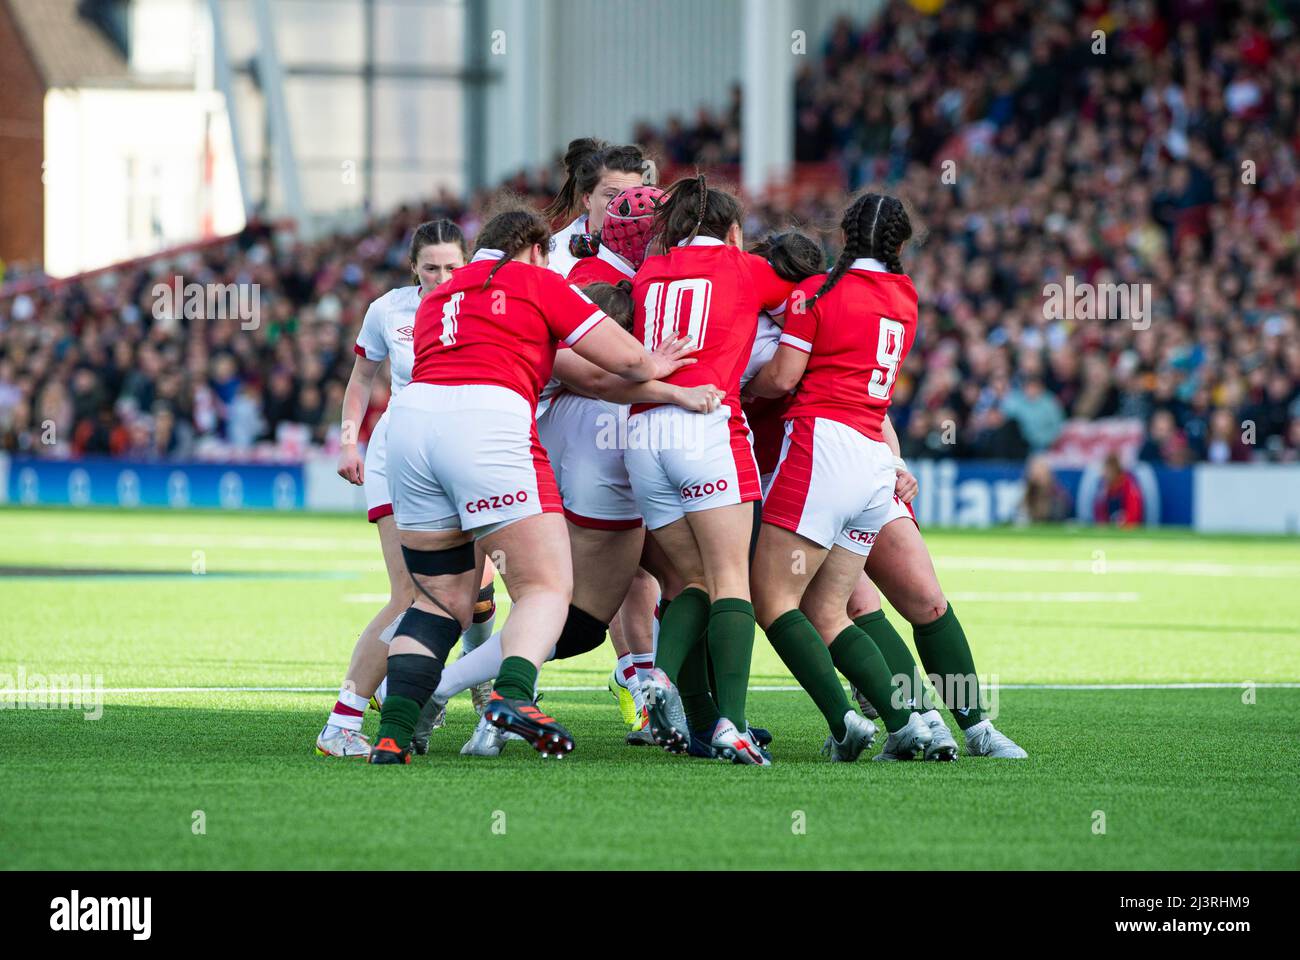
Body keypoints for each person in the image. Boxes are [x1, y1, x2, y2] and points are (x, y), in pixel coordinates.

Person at [367, 207, 690, 764]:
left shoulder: (437, 295)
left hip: (410, 425)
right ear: (538, 249)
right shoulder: (537, 280)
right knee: (545, 588)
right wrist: (658, 362)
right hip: (486, 420)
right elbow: (627, 361)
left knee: (438, 599)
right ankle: (514, 696)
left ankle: (393, 736)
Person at [747, 192, 1026, 763]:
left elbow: (796, 383)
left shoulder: (816, 296)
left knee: (906, 599)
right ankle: (925, 721)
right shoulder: (899, 296)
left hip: (827, 459)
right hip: (844, 466)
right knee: (852, 606)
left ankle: (950, 723)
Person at [414, 280, 723, 757]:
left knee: (542, 607)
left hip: (538, 479)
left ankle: (480, 713)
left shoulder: (542, 354)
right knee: (578, 622)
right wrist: (670, 386)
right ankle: (661, 688)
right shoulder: (601, 379)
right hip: (596, 494)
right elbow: (604, 378)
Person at [626, 176, 797, 765]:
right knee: (731, 581)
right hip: (705, 425)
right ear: (731, 230)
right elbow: (805, 293)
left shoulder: (649, 273)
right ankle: (734, 723)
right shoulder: (744, 266)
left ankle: (658, 677)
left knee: (692, 578)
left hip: (644, 432)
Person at [317, 220, 498, 758]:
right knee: (412, 595)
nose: (443, 277)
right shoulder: (388, 309)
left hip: (464, 457)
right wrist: (350, 443)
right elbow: (361, 380)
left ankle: (461, 697)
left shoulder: (488, 303)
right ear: (413, 268)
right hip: (400, 456)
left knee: (475, 590)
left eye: (452, 266)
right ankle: (343, 722)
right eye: (431, 267)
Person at [543, 139, 656, 279]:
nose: (624, 205)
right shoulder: (557, 257)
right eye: (611, 195)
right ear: (587, 199)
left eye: (634, 195)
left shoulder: (659, 245)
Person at [1093, 452, 1144, 527]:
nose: (1105, 473)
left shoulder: (1128, 486)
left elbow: (1134, 512)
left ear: (1115, 470)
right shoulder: (1104, 487)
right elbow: (1100, 510)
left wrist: (1126, 524)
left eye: (1108, 470)